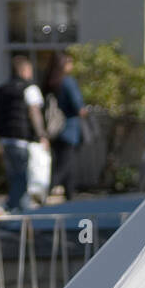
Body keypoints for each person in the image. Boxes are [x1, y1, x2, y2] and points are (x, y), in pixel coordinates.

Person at [0, 55, 48, 213]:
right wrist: (42, 135)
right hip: (21, 139)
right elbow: (34, 112)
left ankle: (21, 214)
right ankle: (7, 207)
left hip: (5, 139)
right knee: (22, 179)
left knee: (14, 177)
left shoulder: (1, 90)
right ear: (24, 70)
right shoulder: (29, 88)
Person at [43, 51, 88, 201]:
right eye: (70, 62)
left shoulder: (50, 81)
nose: (72, 65)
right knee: (64, 165)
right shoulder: (68, 81)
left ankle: (70, 196)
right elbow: (78, 106)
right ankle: (46, 191)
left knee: (67, 165)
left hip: (55, 129)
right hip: (68, 129)